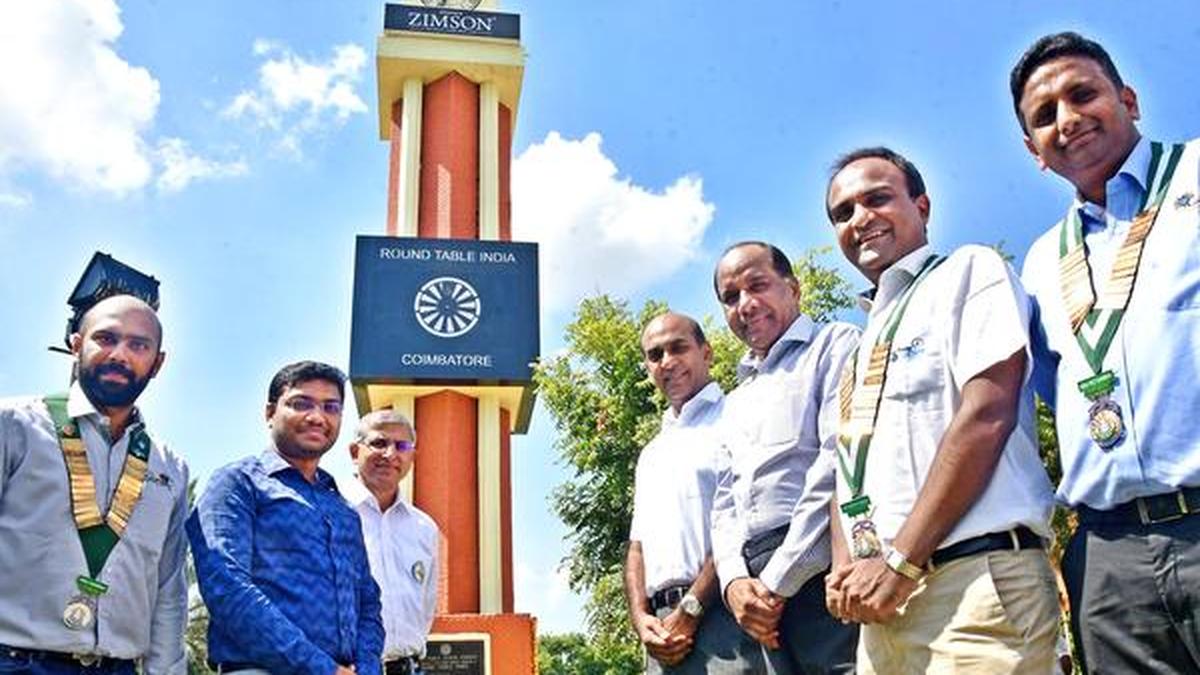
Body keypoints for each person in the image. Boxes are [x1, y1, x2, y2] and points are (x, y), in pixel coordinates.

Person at [822, 146, 1059, 673]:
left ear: (922, 206)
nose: (860, 218)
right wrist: (844, 567)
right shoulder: (860, 346)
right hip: (881, 609)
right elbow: (845, 468)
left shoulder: (968, 272)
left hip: (971, 589)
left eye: (877, 199)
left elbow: (986, 415)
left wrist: (901, 562)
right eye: (843, 212)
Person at [1013, 31, 1200, 672]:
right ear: (1034, 152)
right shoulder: (1041, 262)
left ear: (1129, 100)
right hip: (1109, 561)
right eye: (1044, 115)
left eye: (1082, 94)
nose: (1067, 119)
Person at [0, 295, 188, 674]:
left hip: (118, 667)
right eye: (105, 338)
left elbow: (169, 590)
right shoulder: (14, 425)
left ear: (157, 363)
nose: (120, 354)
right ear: (76, 345)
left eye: (139, 345)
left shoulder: (170, 467)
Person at [710, 242, 860, 673]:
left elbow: (837, 460)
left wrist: (779, 580)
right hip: (756, 591)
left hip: (821, 569)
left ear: (792, 289)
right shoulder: (735, 400)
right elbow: (724, 502)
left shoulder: (834, 344)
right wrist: (734, 582)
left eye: (758, 285)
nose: (745, 305)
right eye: (731, 297)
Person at [188, 361, 384, 675]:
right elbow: (228, 588)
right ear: (270, 413)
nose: (317, 417)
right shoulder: (239, 484)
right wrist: (323, 669)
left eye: (331, 407)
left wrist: (367, 668)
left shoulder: (343, 509)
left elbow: (368, 602)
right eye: (301, 403)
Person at [623, 312, 760, 673]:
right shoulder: (651, 453)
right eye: (655, 355)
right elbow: (637, 548)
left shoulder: (737, 416)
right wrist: (640, 618)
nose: (667, 362)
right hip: (661, 633)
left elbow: (744, 523)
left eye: (678, 348)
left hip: (724, 619)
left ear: (707, 352)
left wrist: (692, 608)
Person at [350, 409, 438, 675]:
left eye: (402, 446)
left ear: (412, 456)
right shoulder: (330, 513)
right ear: (354, 452)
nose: (390, 454)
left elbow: (425, 609)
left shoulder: (424, 528)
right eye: (379, 443)